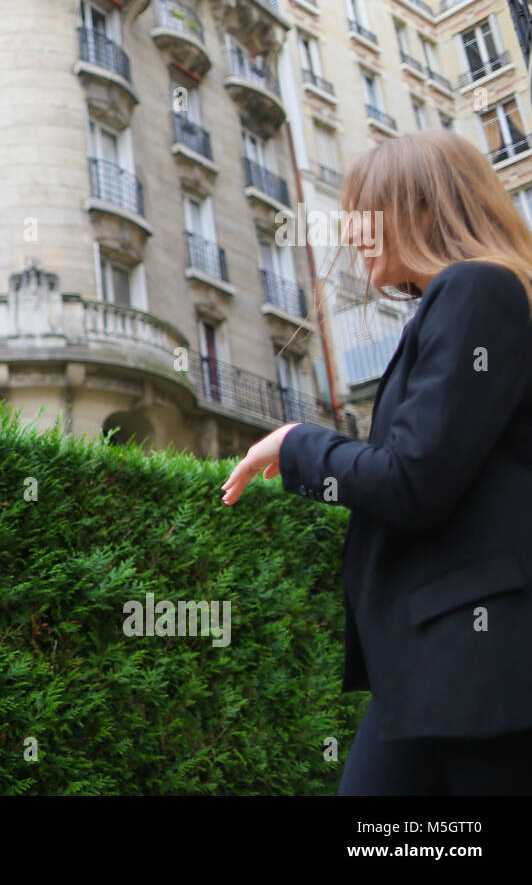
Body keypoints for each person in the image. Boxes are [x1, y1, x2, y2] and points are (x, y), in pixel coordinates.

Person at [220, 129, 532, 794]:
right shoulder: (470, 299)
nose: (351, 232)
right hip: (439, 670)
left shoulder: (478, 290)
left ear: (422, 208)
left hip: (479, 675)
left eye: (365, 210)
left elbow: (413, 480)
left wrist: (298, 442)